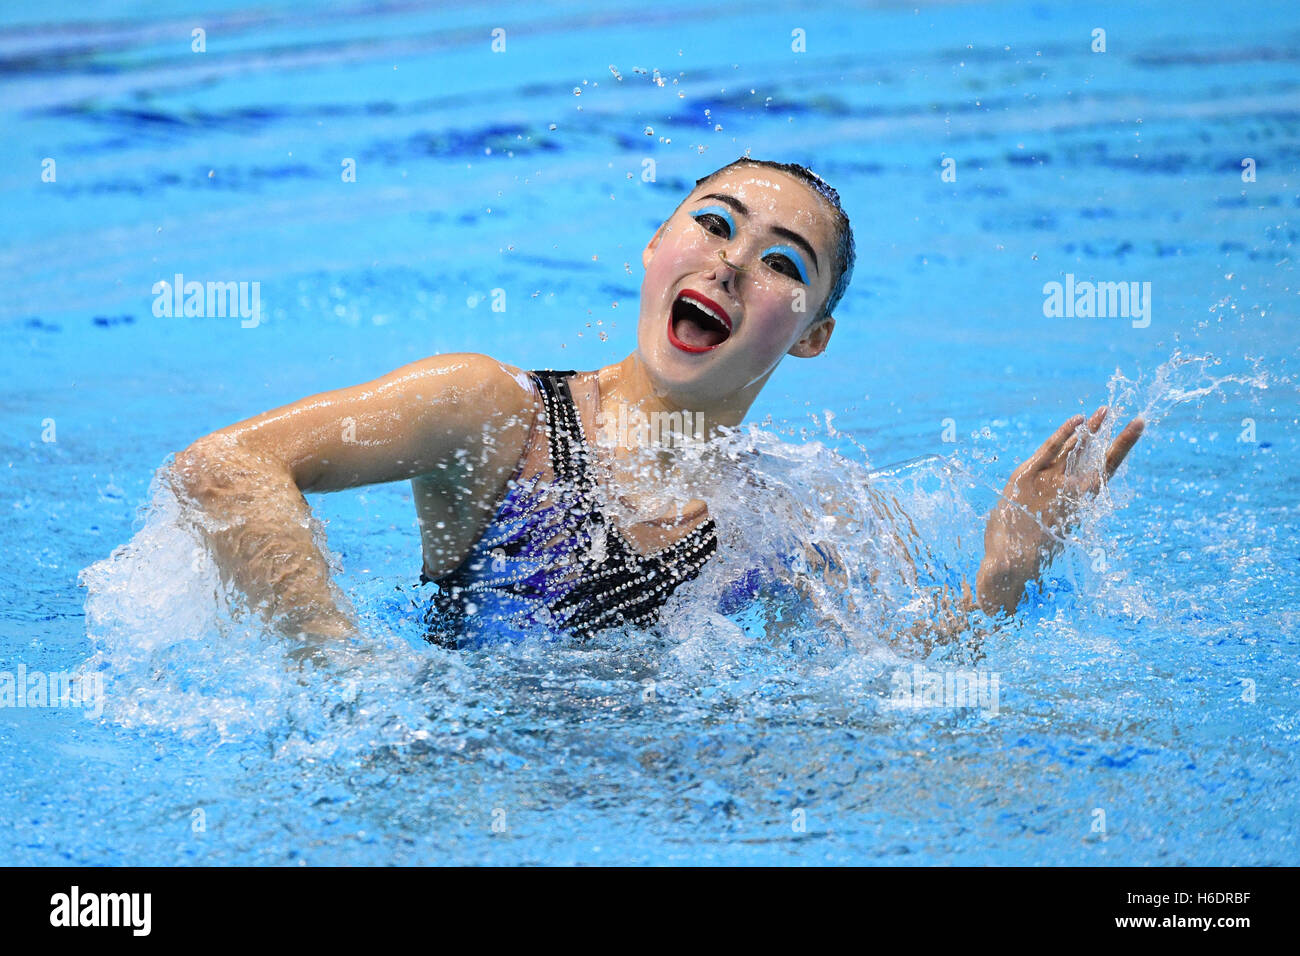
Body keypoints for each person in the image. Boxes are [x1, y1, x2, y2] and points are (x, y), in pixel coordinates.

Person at [166, 156, 1144, 655]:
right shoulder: (493, 413)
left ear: (809, 335)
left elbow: (901, 679)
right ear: (655, 248)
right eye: (713, 225)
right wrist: (344, 677)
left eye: (780, 262)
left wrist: (1006, 571)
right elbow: (224, 466)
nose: (730, 259)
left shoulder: (808, 508)